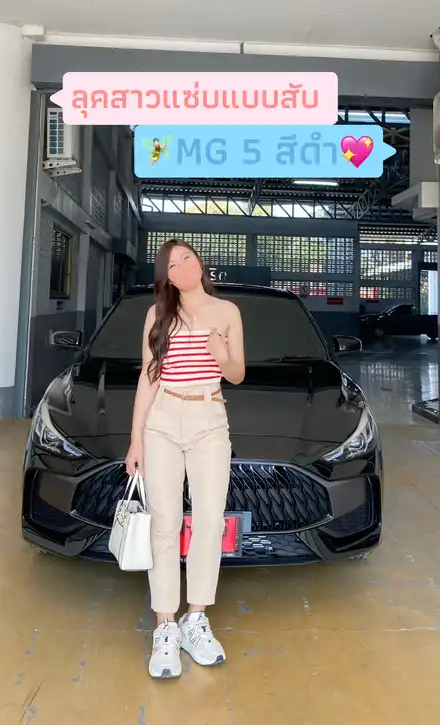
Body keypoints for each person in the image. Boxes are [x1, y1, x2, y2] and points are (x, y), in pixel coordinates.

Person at [125, 238, 245, 679]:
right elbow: (149, 376)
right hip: (162, 419)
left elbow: (237, 374)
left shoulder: (227, 311)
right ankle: (165, 626)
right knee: (165, 522)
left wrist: (222, 354)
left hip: (209, 417)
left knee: (209, 520)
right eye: (171, 265)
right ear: (167, 278)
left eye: (186, 258)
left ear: (199, 262)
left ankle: (196, 619)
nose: (181, 268)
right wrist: (136, 441)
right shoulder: (157, 315)